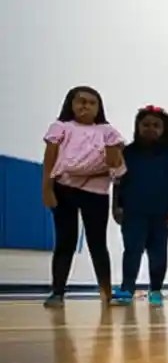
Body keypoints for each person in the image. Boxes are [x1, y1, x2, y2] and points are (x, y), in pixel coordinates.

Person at [42, 85, 125, 307]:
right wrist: (47, 188)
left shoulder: (107, 131)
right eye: (80, 101)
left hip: (96, 193)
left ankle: (106, 294)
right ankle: (57, 292)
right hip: (64, 189)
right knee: (65, 242)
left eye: (91, 102)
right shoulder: (60, 127)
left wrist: (102, 165)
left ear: (99, 107)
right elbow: (50, 159)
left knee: (97, 243)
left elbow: (115, 163)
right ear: (71, 103)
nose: (85, 106)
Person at [110, 105, 168, 306]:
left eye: (156, 125)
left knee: (158, 252)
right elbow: (118, 181)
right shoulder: (127, 152)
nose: (150, 128)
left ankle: (156, 289)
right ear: (138, 126)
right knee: (132, 250)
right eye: (145, 125)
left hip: (162, 212)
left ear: (165, 128)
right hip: (133, 210)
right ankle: (127, 288)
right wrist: (116, 206)